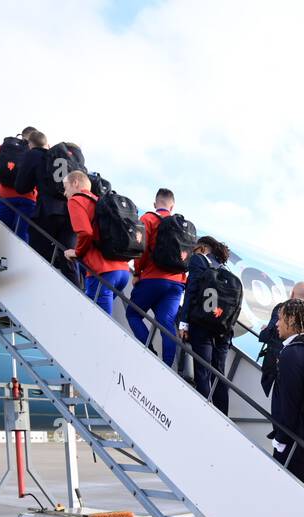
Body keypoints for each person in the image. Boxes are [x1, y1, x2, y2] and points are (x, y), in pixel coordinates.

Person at [268, 299, 304, 490]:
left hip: (292, 442)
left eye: (280, 318)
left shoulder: (291, 354)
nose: (277, 323)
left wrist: (281, 440)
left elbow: (290, 404)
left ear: (292, 320)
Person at [129, 189, 188, 369]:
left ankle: (150, 352)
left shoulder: (148, 219)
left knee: (132, 313)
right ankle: (167, 366)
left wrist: (137, 273)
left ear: (155, 204)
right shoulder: (181, 226)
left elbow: (141, 250)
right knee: (165, 321)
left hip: (153, 278)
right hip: (177, 282)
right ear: (172, 206)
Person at [62, 171, 131, 315]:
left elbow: (86, 232)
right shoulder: (99, 201)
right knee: (92, 315)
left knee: (99, 321)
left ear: (75, 183)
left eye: (65, 187)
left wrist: (76, 252)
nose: (64, 193)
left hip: (102, 270)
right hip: (122, 271)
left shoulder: (76, 200)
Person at [180, 236, 235, 414]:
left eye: (195, 249)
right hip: (223, 328)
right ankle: (222, 416)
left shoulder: (199, 260)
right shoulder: (224, 269)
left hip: (202, 324)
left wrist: (184, 322)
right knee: (219, 373)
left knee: (202, 371)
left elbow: (191, 291)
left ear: (203, 248)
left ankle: (204, 413)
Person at [14, 138, 81, 283]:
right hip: (72, 213)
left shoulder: (41, 156)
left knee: (38, 254)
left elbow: (21, 187)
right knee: (68, 257)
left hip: (48, 211)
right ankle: (77, 294)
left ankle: (36, 286)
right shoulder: (75, 162)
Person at [0, 128, 41, 242]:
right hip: (28, 197)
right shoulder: (36, 153)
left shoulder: (4, 147)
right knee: (22, 234)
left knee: (2, 234)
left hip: (3, 196)